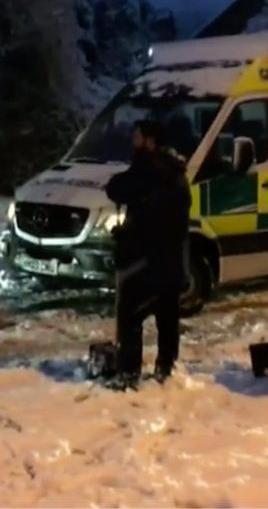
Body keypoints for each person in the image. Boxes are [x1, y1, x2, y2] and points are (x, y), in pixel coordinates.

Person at [104, 120, 191, 391]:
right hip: (171, 259)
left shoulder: (148, 168)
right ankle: (167, 367)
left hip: (146, 260)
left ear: (150, 141)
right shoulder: (176, 170)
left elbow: (118, 189)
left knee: (130, 315)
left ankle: (129, 373)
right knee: (167, 317)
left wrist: (125, 233)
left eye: (138, 137)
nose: (134, 142)